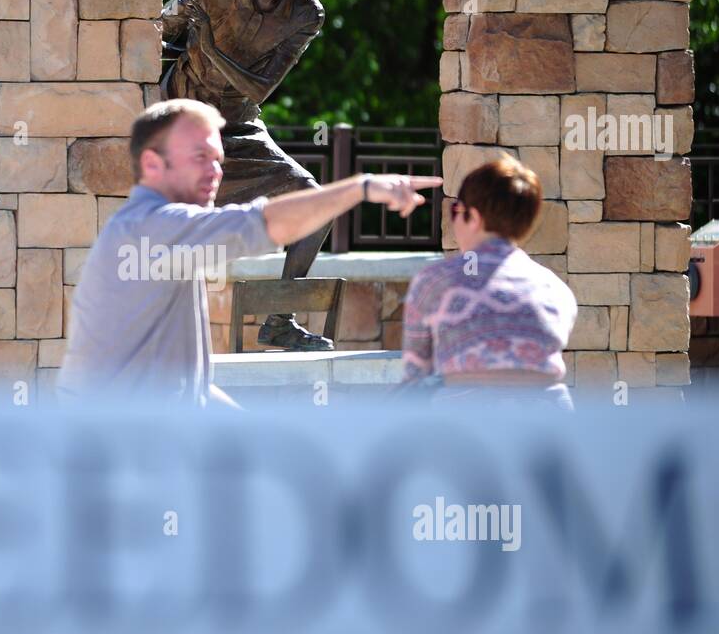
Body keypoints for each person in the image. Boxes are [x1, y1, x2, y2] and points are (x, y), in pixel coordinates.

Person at [58, 99, 441, 408]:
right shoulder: (151, 229)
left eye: (218, 160)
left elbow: (187, 388)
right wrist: (362, 187)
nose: (216, 172)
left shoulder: (153, 231)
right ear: (152, 164)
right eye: (199, 158)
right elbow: (268, 222)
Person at [160, 0, 334, 351]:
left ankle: (280, 320)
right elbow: (163, 27)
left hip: (237, 125)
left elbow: (259, 90)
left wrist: (211, 48)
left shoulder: (305, 15)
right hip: (183, 114)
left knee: (315, 204)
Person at [401, 155, 579, 410]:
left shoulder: (435, 282)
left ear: (472, 217)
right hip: (551, 425)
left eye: (455, 211)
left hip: (468, 428)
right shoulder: (557, 291)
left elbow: (414, 378)